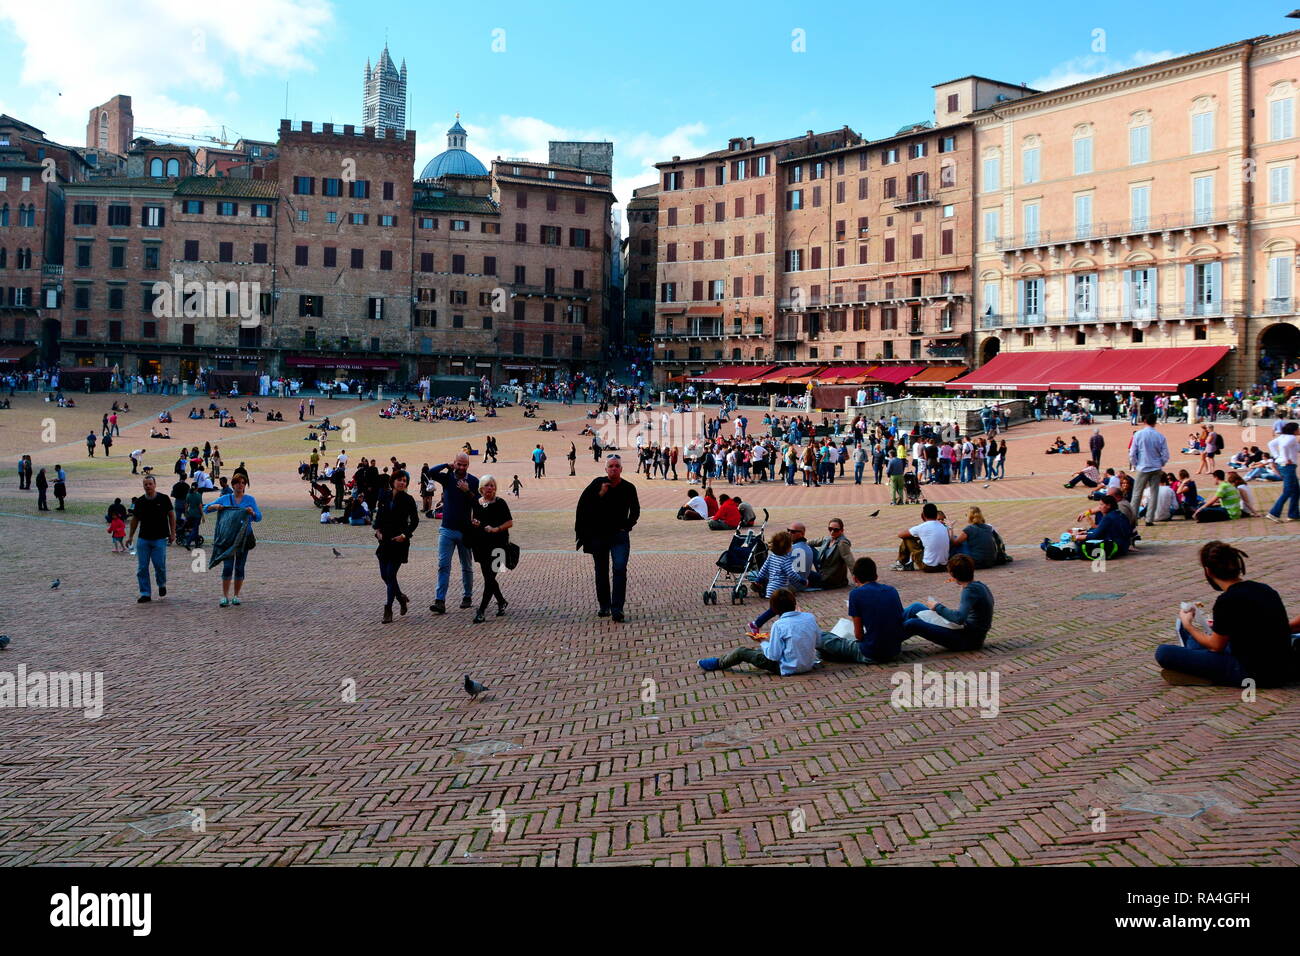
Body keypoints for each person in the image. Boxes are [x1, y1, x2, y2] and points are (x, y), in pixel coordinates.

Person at [1155, 541, 1299, 687]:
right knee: (1194, 642)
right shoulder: (1265, 589)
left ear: (1208, 571)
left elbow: (1216, 646)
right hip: (1282, 666)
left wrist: (1188, 625)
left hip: (1252, 673)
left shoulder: (1226, 601)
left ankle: (1205, 673)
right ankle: (1197, 664)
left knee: (1164, 652)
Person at [574, 455, 640, 623]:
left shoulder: (629, 487)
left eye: (617, 466)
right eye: (610, 466)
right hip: (599, 535)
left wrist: (627, 526)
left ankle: (617, 608)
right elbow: (584, 507)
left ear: (621, 469)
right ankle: (604, 605)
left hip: (619, 536)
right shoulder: (597, 484)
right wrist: (600, 494)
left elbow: (635, 510)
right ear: (605, 469)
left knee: (619, 569)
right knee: (601, 571)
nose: (613, 468)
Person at [698, 588, 819, 675]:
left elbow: (773, 656)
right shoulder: (810, 617)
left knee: (742, 652)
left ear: (775, 609)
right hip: (808, 664)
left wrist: (761, 641)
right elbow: (818, 641)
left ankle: (719, 663)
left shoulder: (779, 625)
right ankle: (723, 659)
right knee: (763, 650)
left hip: (788, 667)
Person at [816, 557, 906, 664]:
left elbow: (858, 634)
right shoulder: (892, 590)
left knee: (819, 636)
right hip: (895, 651)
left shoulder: (856, 594)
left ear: (854, 579)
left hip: (870, 653)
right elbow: (900, 620)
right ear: (876, 576)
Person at [901, 554, 995, 651]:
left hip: (967, 639)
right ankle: (890, 628)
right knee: (915, 607)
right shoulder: (980, 586)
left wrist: (937, 607)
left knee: (913, 624)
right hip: (965, 630)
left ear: (953, 575)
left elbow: (959, 618)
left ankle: (889, 642)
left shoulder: (969, 591)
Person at [428, 454, 480, 615]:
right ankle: (440, 600)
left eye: (465, 465)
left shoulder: (473, 481)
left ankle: (467, 596)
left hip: (465, 531)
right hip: (447, 530)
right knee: (443, 565)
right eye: (459, 464)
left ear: (469, 465)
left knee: (467, 566)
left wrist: (467, 491)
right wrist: (446, 465)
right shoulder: (448, 478)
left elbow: (478, 504)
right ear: (455, 463)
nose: (462, 467)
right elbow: (431, 472)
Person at [205, 473, 262, 607]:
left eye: (243, 483)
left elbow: (259, 517)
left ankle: (236, 595)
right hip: (228, 539)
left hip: (243, 539)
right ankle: (224, 596)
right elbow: (205, 508)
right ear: (233, 485)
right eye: (237, 483)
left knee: (240, 567)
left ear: (245, 485)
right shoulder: (225, 498)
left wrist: (252, 512)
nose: (240, 485)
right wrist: (216, 507)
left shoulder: (250, 500)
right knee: (228, 567)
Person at [373, 470, 419, 623]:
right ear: (393, 481)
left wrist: (405, 535)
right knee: (384, 575)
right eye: (400, 480)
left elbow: (414, 521)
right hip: (384, 541)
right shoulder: (384, 496)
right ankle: (400, 597)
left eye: (405, 481)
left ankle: (388, 609)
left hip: (399, 542)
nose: (402, 483)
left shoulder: (408, 499)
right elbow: (379, 516)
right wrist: (377, 530)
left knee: (391, 574)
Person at [469, 475, 513, 623]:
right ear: (481, 488)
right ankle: (501, 601)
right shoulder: (477, 503)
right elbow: (477, 520)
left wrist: (496, 529)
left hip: (500, 545)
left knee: (490, 578)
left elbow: (509, 522)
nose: (490, 488)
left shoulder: (500, 503)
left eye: (492, 485)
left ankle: (481, 610)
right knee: (489, 578)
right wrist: (475, 523)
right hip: (481, 546)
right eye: (487, 485)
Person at [125, 475, 175, 603]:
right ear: (143, 486)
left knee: (159, 565)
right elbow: (135, 520)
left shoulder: (164, 499)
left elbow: (171, 516)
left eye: (150, 484)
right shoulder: (140, 502)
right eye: (145, 484)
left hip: (159, 538)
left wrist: (172, 533)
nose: (148, 486)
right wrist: (130, 536)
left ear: (155, 485)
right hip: (143, 539)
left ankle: (161, 583)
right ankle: (145, 593)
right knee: (142, 568)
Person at [1128, 413, 1169, 528]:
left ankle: (1133, 518)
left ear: (1145, 420)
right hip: (1156, 467)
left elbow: (1132, 453)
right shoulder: (1160, 436)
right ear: (1155, 422)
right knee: (1154, 493)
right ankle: (1149, 519)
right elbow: (1165, 454)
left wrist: (1136, 464)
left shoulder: (1138, 435)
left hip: (1143, 466)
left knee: (1136, 494)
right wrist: (1160, 463)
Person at [893, 503, 950, 572]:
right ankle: (905, 563)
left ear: (923, 515)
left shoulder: (922, 527)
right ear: (936, 514)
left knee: (908, 539)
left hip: (928, 567)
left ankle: (900, 563)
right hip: (943, 566)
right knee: (921, 539)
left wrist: (917, 536)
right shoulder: (943, 527)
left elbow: (900, 535)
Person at [1265, 421, 1299, 524]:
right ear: (1294, 430)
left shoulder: (1284, 437)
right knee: (1288, 491)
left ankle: (1293, 514)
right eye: (1298, 428)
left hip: (1284, 466)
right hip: (1288, 466)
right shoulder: (1291, 438)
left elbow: (1270, 444)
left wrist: (1276, 456)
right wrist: (1285, 458)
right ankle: (1274, 513)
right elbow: (1284, 447)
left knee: (1296, 490)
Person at [806, 518, 854, 589]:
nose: (832, 532)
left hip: (829, 579)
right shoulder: (828, 539)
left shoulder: (842, 544)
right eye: (830, 529)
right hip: (823, 570)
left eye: (836, 530)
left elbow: (850, 562)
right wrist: (795, 545)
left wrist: (859, 580)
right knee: (809, 548)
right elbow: (809, 543)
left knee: (802, 571)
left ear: (842, 530)